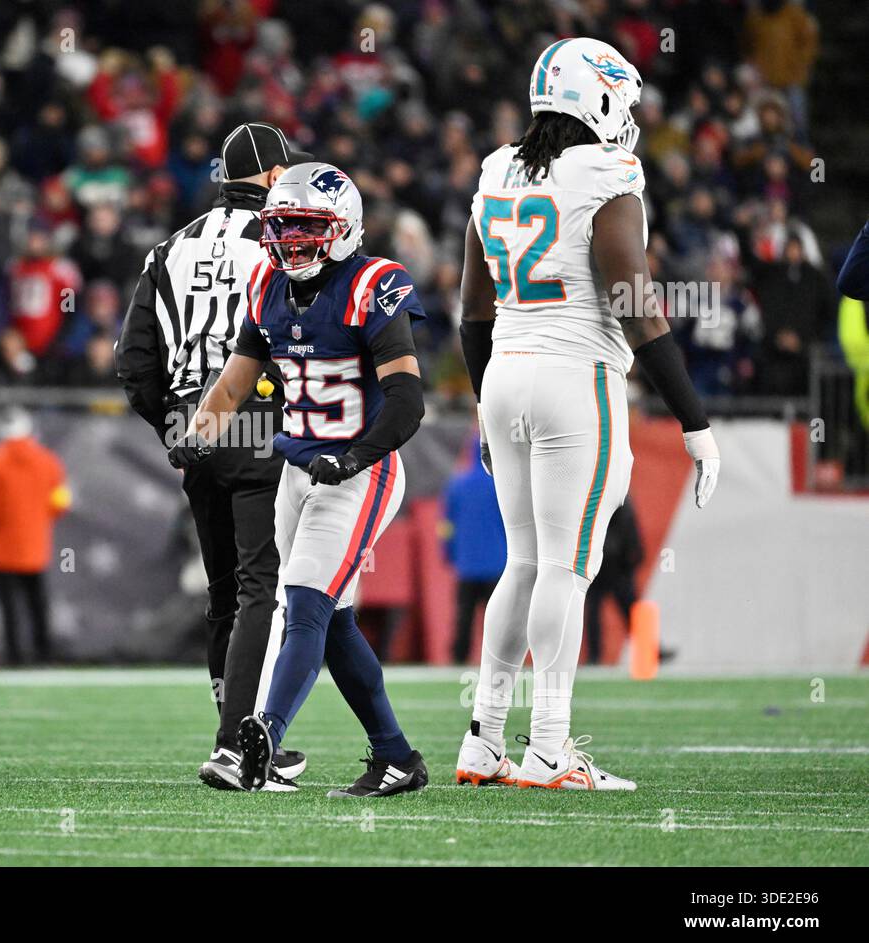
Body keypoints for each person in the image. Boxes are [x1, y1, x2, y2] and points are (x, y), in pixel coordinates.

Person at [456, 38, 720, 790]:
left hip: (504, 372)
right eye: (624, 101)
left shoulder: (496, 171)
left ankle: (484, 737)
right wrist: (694, 422)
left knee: (524, 564)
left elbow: (472, 312)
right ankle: (548, 748)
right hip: (577, 378)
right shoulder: (609, 173)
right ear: (598, 99)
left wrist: (482, 404)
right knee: (567, 571)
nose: (630, 117)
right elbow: (637, 305)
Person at [171, 162, 429, 797]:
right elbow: (236, 377)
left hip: (360, 472)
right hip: (297, 470)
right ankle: (396, 757)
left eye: (305, 226)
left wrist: (354, 457)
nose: (289, 239)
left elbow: (406, 402)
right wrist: (201, 430)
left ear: (342, 229)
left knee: (304, 604)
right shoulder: (267, 284)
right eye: (280, 225)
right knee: (333, 620)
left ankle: (259, 739)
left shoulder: (375, 283)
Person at [117, 123, 312, 790]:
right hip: (259, 416)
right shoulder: (285, 237)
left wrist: (174, 429)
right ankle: (240, 744)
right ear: (272, 176)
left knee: (225, 592)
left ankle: (236, 733)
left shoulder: (169, 248)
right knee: (264, 586)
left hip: (193, 425)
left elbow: (133, 361)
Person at [0, 411, 70, 665]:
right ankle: (44, 654)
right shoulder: (48, 461)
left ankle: (13, 656)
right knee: (38, 603)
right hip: (35, 545)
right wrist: (39, 521)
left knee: (9, 607)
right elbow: (60, 502)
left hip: (1, 548)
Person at [443, 432, 507, 665]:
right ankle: (501, 659)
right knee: (499, 617)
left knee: (464, 616)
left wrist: (448, 552)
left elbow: (447, 524)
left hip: (467, 564)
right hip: (498, 563)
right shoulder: (501, 484)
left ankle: (458, 658)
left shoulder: (457, 484)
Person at [582, 500, 644, 666]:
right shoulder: (620, 494)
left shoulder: (595, 496)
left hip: (603, 560)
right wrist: (635, 555)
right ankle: (648, 649)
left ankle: (594, 657)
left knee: (598, 610)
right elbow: (629, 528)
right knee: (628, 608)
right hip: (615, 562)